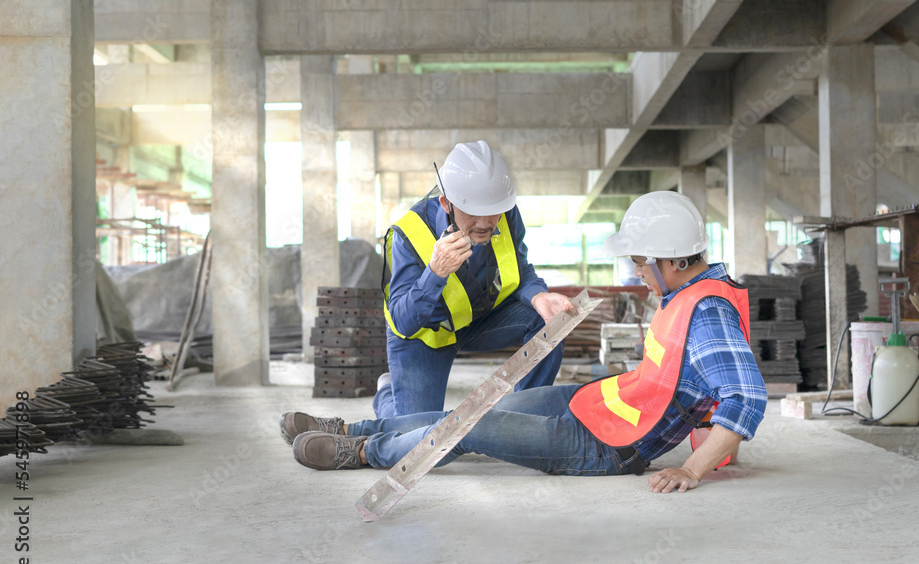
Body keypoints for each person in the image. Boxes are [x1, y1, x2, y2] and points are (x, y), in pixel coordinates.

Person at [285, 191, 767, 493]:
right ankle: (352, 428)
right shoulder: (687, 292)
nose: (637, 273)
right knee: (478, 405)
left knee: (468, 427)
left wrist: (694, 469)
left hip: (604, 446)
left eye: (641, 261)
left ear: (675, 260)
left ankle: (363, 453)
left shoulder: (708, 311)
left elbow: (745, 397)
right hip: (597, 404)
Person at [279, 140, 573, 439]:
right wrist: (435, 272)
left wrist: (539, 295)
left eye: (493, 211)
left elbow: (520, 267)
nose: (486, 223)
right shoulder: (409, 234)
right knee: (419, 437)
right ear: (446, 203)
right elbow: (404, 321)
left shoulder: (506, 214)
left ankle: (523, 419)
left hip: (478, 319)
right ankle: (387, 393)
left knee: (547, 320)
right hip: (424, 334)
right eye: (473, 211)